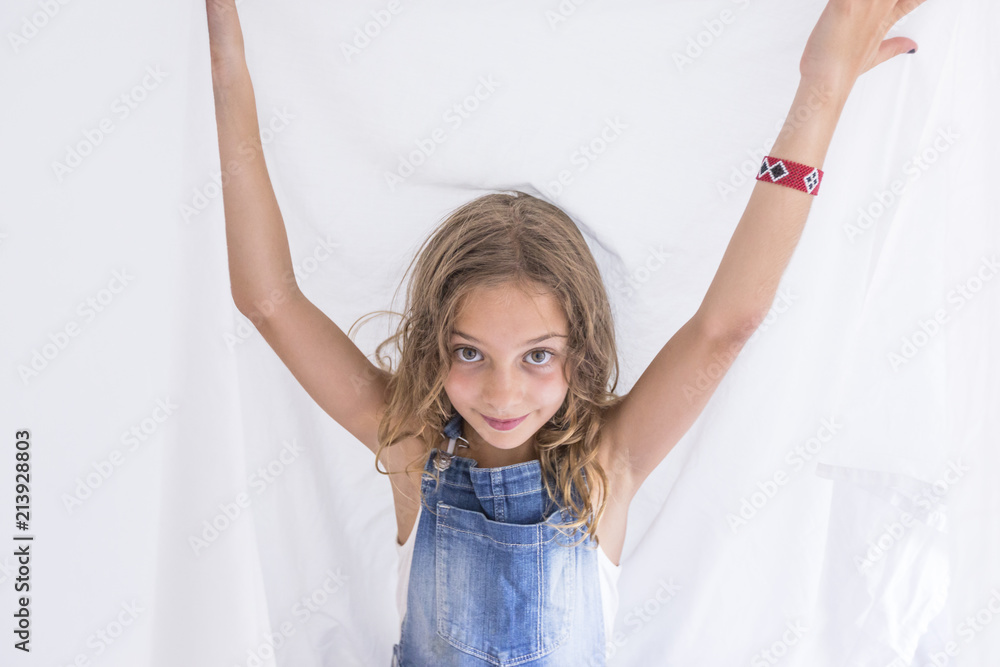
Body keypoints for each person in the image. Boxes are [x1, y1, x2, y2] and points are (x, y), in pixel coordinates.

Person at [206, 0, 930, 664]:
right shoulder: (410, 450)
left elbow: (727, 324)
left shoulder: (605, 468)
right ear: (435, 346)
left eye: (538, 356)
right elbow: (268, 299)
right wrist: (225, 53)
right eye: (469, 352)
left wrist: (822, 87)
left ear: (579, 354)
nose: (502, 389)